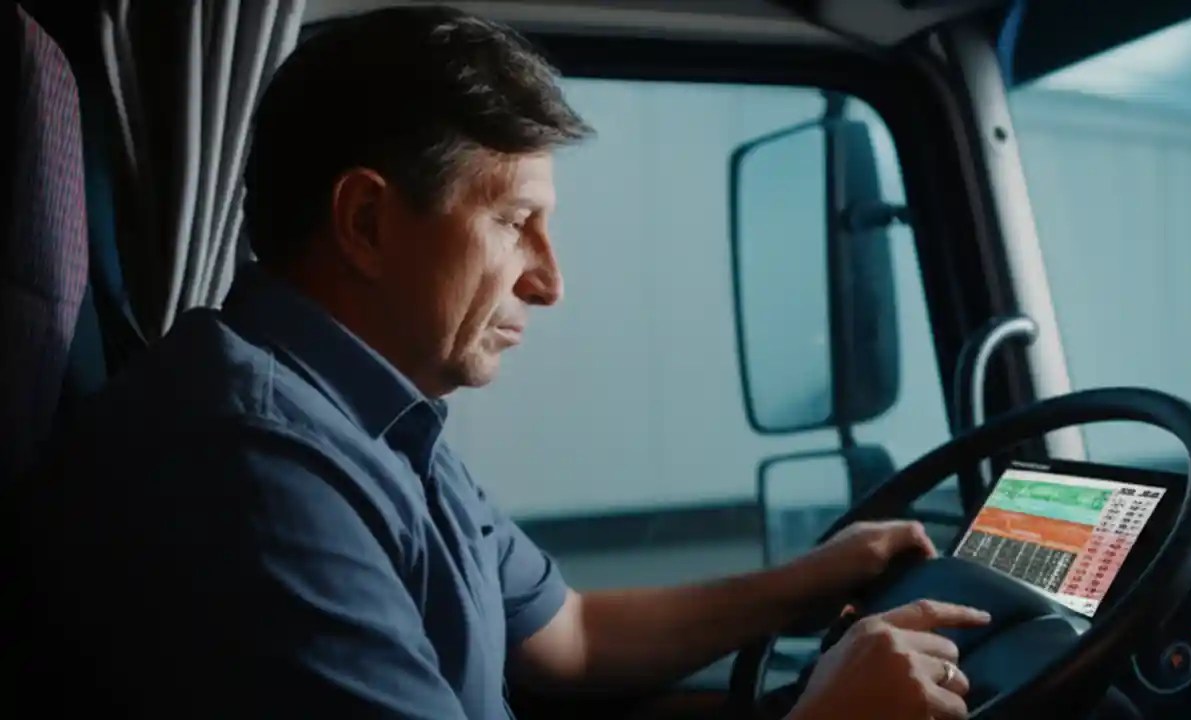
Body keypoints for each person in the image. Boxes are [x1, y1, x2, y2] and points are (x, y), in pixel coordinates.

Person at [19, 6, 990, 719]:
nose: (548, 283)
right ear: (365, 223)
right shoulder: (253, 463)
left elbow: (567, 637)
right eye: (514, 223)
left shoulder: (370, 414)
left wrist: (803, 582)